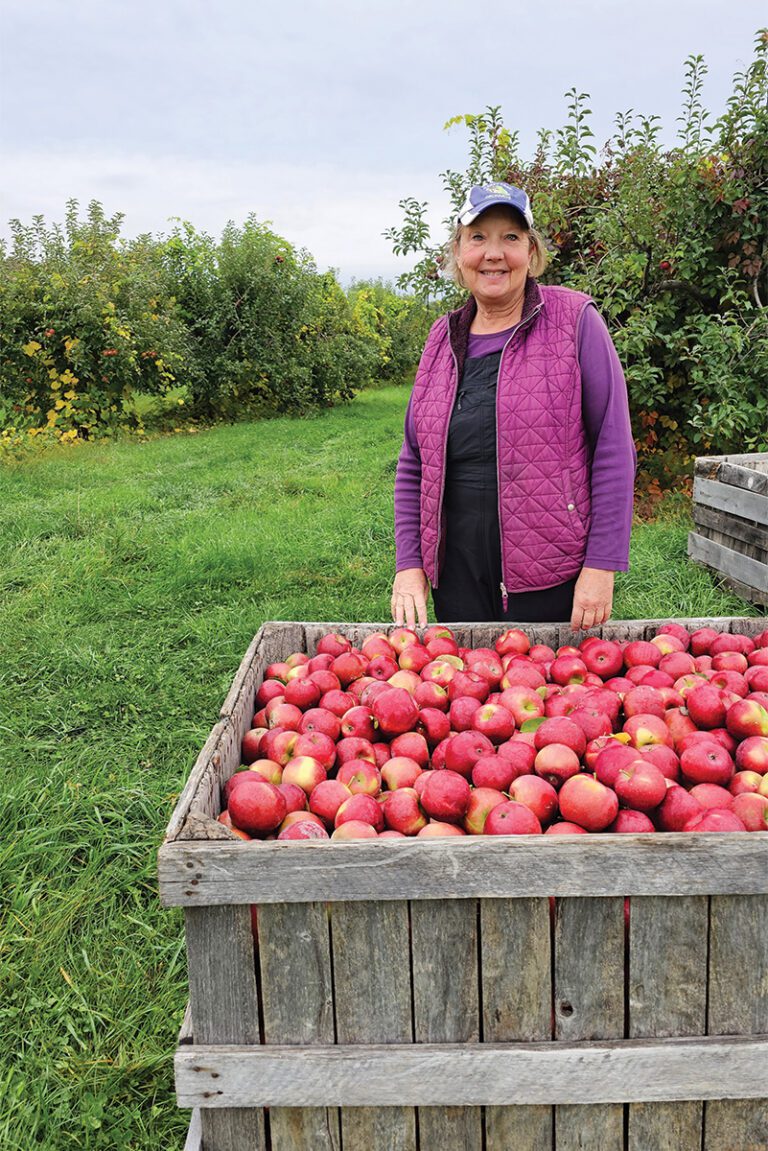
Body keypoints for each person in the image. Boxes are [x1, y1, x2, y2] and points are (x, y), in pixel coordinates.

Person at [391, 181, 636, 632]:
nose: (494, 253)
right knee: (468, 695)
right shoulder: (440, 339)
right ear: (458, 253)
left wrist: (602, 565)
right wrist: (410, 564)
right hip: (456, 571)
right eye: (478, 237)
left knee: (552, 695)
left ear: (532, 251)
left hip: (551, 572)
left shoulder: (575, 321)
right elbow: (413, 462)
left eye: (511, 237)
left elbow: (613, 448)